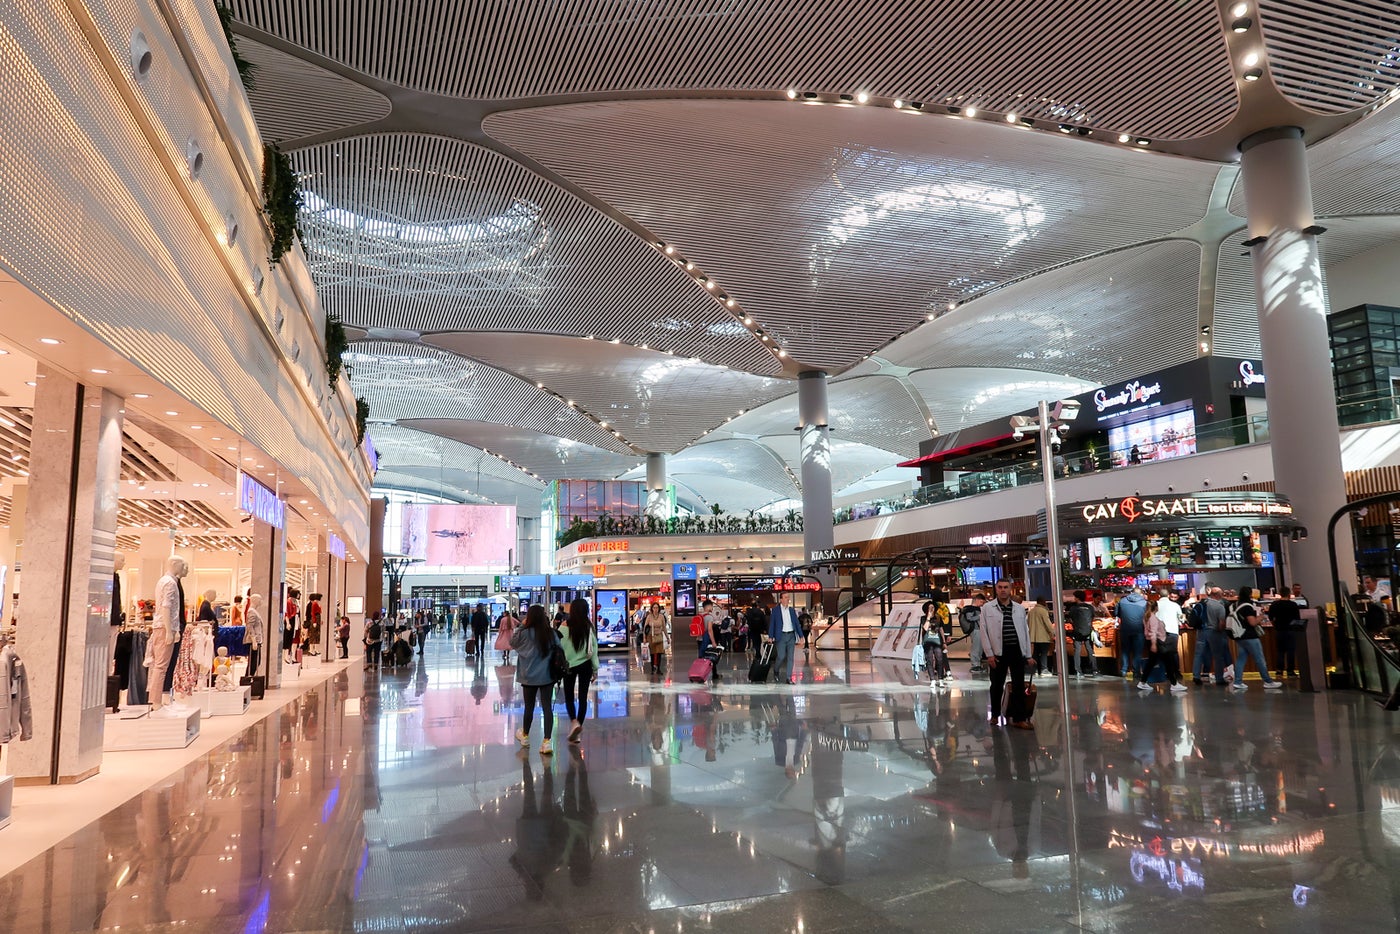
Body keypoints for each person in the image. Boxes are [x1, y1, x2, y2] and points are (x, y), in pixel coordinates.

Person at [979, 579, 1032, 729]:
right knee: (996, 684)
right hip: (997, 652)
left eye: (1006, 587)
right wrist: (989, 654)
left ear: (1011, 589)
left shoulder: (1019, 609)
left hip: (1016, 650)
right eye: (1000, 587)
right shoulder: (987, 608)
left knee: (1018, 685)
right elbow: (984, 632)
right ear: (996, 589)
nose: (1003, 590)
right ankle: (995, 714)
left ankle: (1019, 718)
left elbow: (1025, 633)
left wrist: (1028, 654)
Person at [512, 605, 562, 755]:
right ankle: (547, 741)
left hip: (528, 677)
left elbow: (512, 642)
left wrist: (521, 625)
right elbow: (560, 649)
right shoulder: (551, 633)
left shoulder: (524, 633)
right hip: (547, 676)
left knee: (529, 707)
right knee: (547, 708)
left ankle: (525, 736)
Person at [560, 598, 598, 744]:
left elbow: (559, 648)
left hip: (568, 666)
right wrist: (595, 669)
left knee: (569, 696)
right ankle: (578, 727)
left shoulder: (564, 626)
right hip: (586, 665)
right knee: (583, 697)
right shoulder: (589, 627)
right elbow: (593, 650)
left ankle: (574, 721)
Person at [1231, 587, 1282, 690]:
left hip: (1239, 635)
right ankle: (1268, 681)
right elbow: (1252, 622)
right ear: (1250, 594)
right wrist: (1261, 617)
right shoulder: (1247, 607)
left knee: (1241, 659)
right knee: (1259, 659)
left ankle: (1238, 681)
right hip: (1250, 636)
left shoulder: (1235, 605)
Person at [1137, 594, 1187, 693]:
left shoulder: (1147, 617)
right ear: (1156, 607)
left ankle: (1143, 682)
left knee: (1152, 662)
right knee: (1168, 662)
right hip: (1159, 642)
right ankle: (1174, 683)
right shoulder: (1153, 619)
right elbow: (1154, 632)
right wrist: (1154, 644)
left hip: (1153, 642)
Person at [1192, 587, 1231, 685]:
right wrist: (1220, 630)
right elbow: (1222, 623)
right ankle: (1219, 679)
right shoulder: (1219, 606)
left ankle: (1196, 676)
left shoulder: (1202, 603)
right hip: (1214, 632)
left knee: (1198, 655)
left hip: (1201, 631)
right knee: (1218, 656)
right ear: (1218, 595)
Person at [768, 592, 804, 685]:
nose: (788, 599)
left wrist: (801, 636)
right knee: (781, 656)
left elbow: (796, 623)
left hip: (791, 635)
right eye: (785, 597)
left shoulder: (792, 610)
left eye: (788, 597)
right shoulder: (775, 610)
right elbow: (772, 624)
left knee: (791, 657)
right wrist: (771, 636)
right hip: (781, 636)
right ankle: (776, 670)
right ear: (781, 599)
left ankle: (789, 678)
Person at [1267, 590, 1303, 678]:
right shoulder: (1293, 605)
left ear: (1280, 594)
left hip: (1279, 630)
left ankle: (1279, 671)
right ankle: (1290, 671)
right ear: (1289, 594)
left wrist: (1275, 625)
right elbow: (1297, 618)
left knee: (1280, 651)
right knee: (1291, 651)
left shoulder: (1274, 604)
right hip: (1291, 630)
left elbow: (1270, 617)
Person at [1115, 587, 1148, 679]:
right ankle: (1136, 671)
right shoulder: (1144, 603)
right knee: (1137, 652)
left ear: (1131, 593)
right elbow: (1147, 617)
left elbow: (1116, 613)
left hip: (1125, 629)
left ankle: (1124, 670)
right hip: (1139, 630)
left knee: (1125, 650)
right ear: (1140, 594)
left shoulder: (1122, 601)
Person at [1065, 590, 1096, 678]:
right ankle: (1095, 670)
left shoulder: (1073, 608)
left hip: (1077, 632)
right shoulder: (1090, 607)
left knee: (1077, 651)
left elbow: (1071, 619)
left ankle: (1078, 671)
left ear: (1077, 598)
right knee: (1090, 650)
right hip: (1088, 631)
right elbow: (1092, 618)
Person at [921, 600, 949, 683]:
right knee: (929, 660)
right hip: (927, 642)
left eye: (932, 607)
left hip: (937, 641)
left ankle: (940, 678)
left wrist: (944, 642)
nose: (931, 609)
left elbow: (941, 629)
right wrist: (928, 618)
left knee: (939, 659)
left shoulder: (938, 618)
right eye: (929, 608)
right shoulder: (923, 618)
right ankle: (932, 679)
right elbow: (925, 628)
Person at [1027, 598, 1054, 678]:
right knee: (1044, 653)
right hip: (1043, 636)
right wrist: (1053, 632)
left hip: (1033, 636)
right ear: (1043, 602)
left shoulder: (1031, 611)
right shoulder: (1043, 611)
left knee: (1035, 653)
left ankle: (1034, 670)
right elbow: (1047, 623)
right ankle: (1044, 669)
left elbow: (1028, 623)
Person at [962, 593, 987, 673]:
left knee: (979, 648)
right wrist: (980, 616)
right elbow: (969, 618)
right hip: (975, 630)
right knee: (976, 648)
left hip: (979, 630)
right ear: (977, 600)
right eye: (981, 602)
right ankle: (975, 665)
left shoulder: (976, 609)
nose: (982, 604)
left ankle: (977, 664)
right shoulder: (970, 609)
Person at [644, 602, 670, 673]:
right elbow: (645, 628)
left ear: (659, 609)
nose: (655, 609)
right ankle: (652, 668)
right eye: (654, 608)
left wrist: (667, 637)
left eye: (657, 608)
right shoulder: (649, 616)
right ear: (652, 609)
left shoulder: (661, 616)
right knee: (652, 653)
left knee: (659, 653)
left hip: (659, 636)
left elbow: (664, 627)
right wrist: (644, 637)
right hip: (651, 636)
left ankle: (658, 668)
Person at [244, 593, 265, 678]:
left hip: (257, 640)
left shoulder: (254, 611)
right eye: (259, 600)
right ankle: (248, 677)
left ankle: (250, 677)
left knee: (256, 661)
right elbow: (250, 626)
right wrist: (253, 640)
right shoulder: (251, 612)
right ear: (255, 600)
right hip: (254, 640)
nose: (261, 602)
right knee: (254, 661)